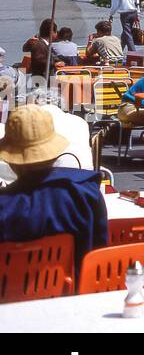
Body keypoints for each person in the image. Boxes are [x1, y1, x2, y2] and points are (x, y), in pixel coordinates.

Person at [0, 106, 108, 262]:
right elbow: (98, 252)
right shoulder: (86, 192)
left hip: (12, 286)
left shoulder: (5, 205)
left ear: (12, 161)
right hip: (77, 286)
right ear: (54, 152)